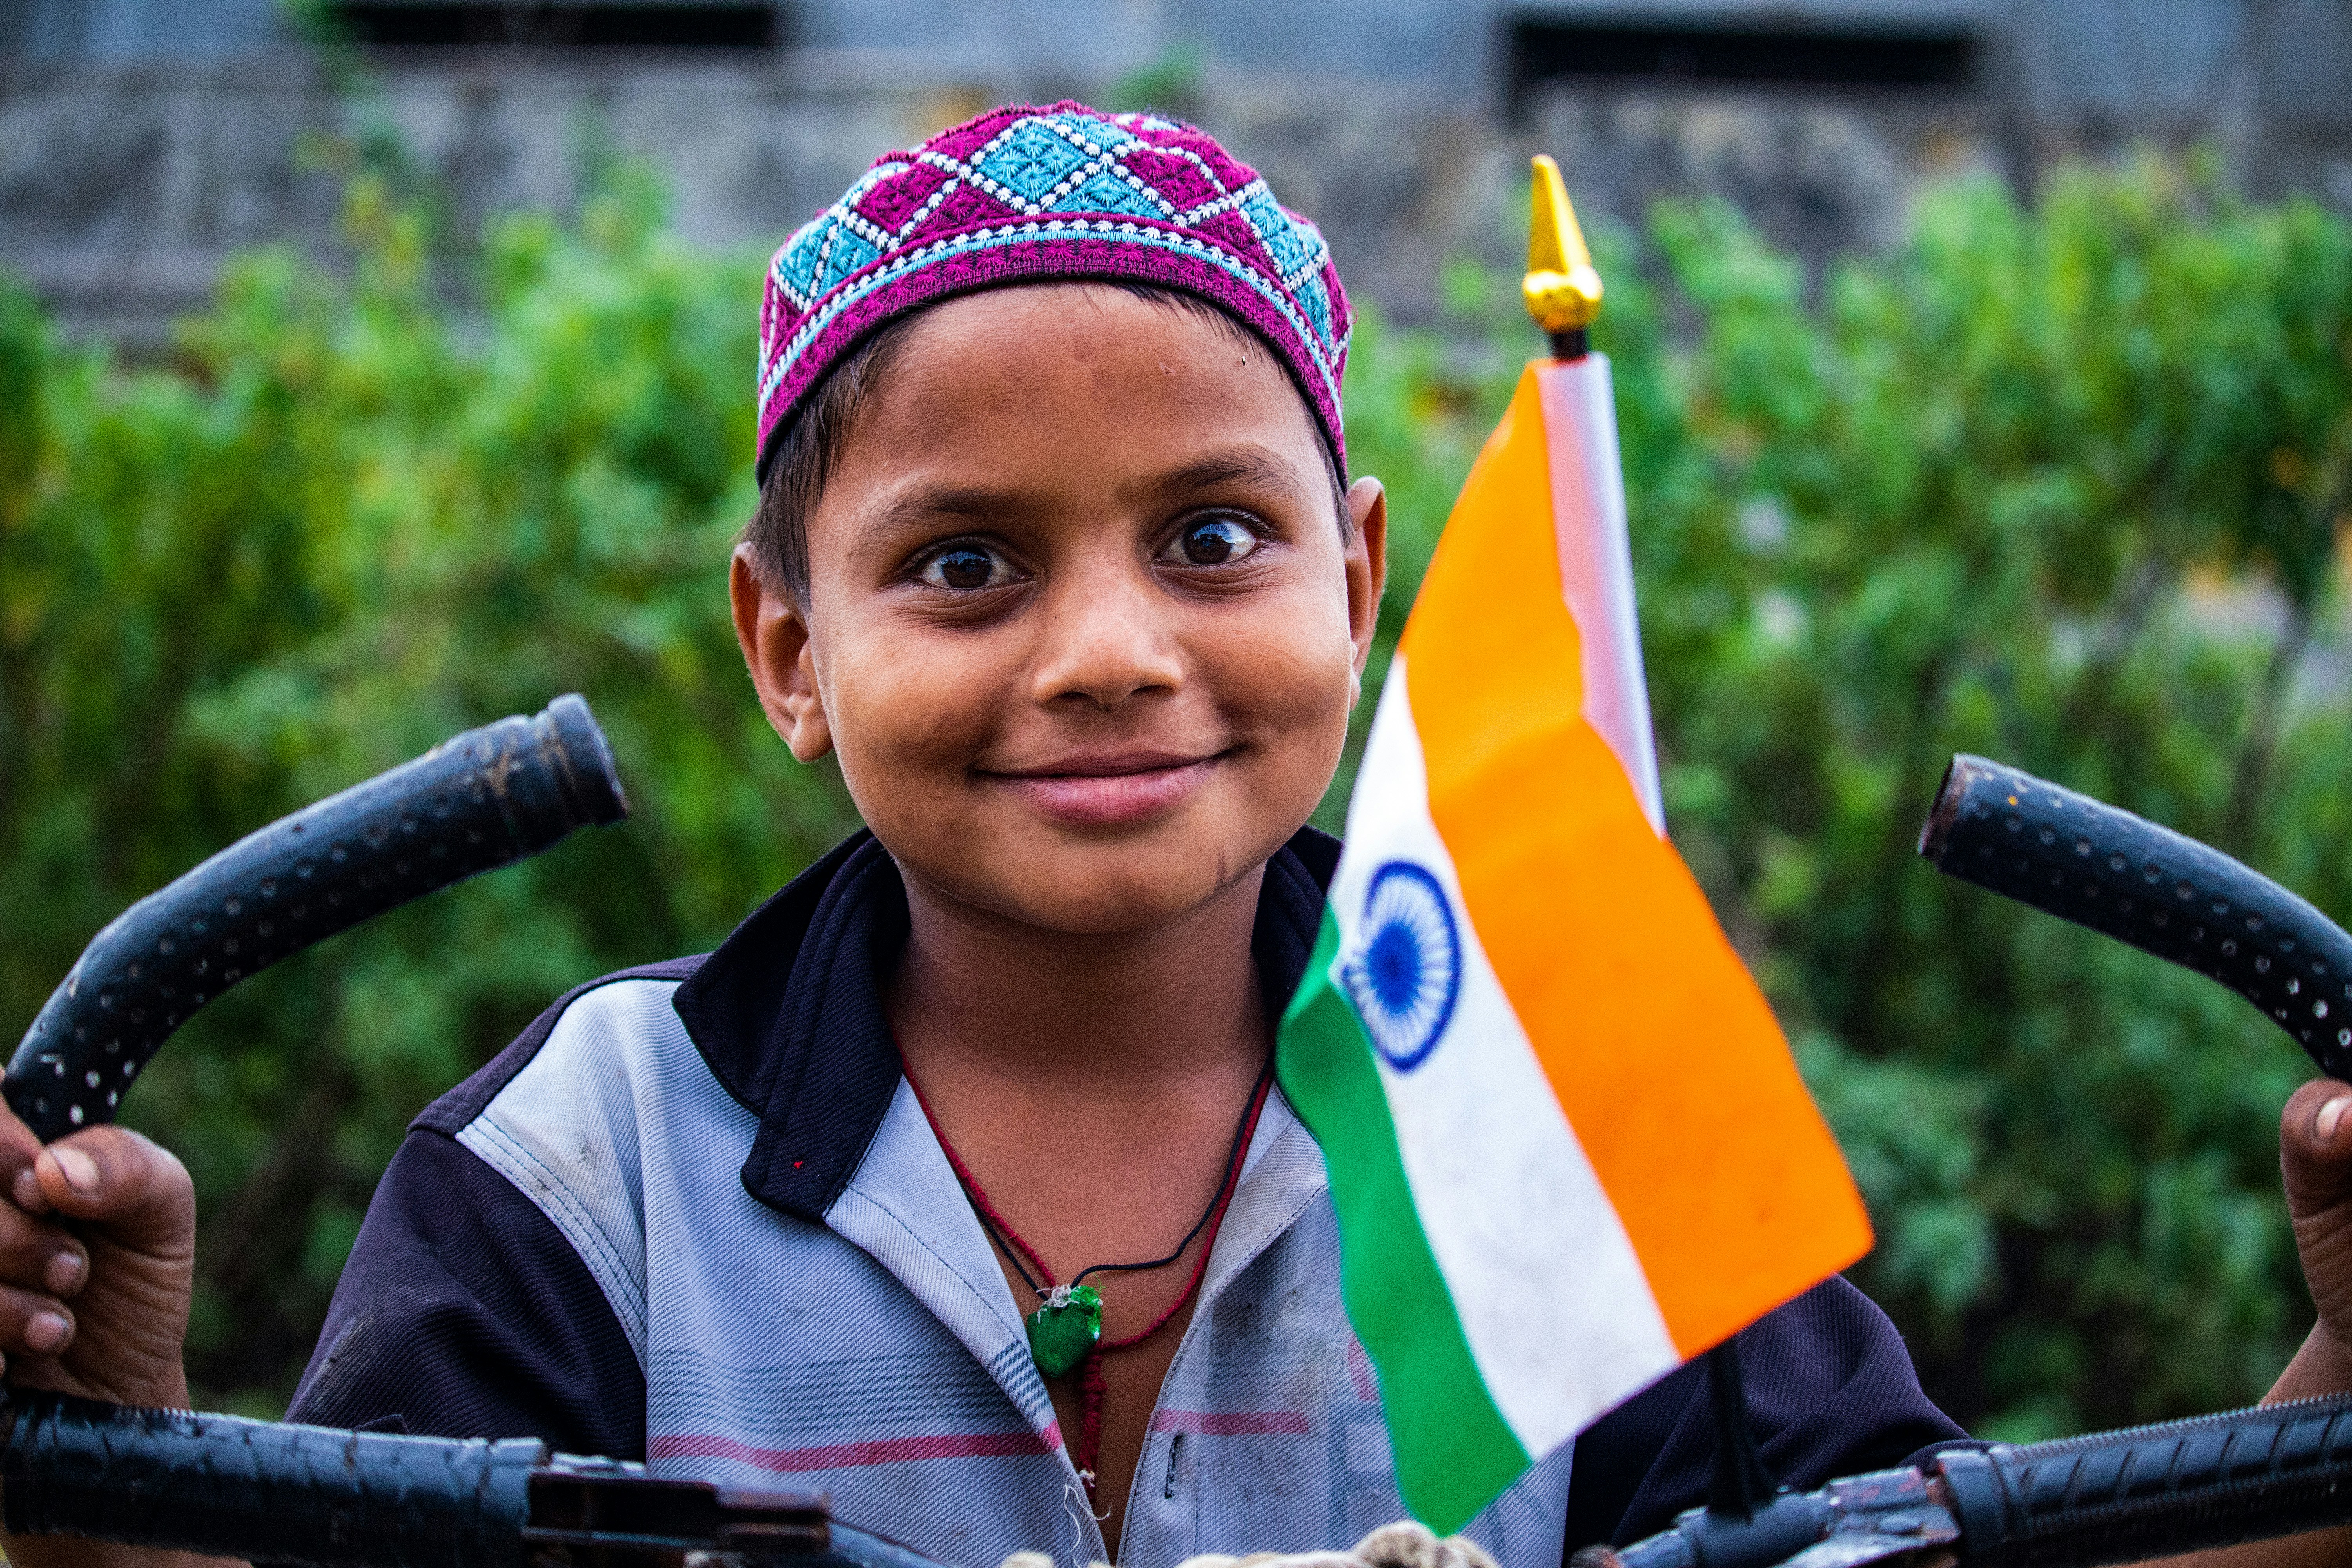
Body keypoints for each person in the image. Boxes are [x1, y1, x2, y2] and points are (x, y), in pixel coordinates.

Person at [0, 101, 2347, 1568]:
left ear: (1356, 571)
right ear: (786, 648)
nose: (1110, 650)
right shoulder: (584, 1173)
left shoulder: (1562, 1111)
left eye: (1214, 540)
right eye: (964, 566)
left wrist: (2329, 1406)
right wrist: (100, 1469)